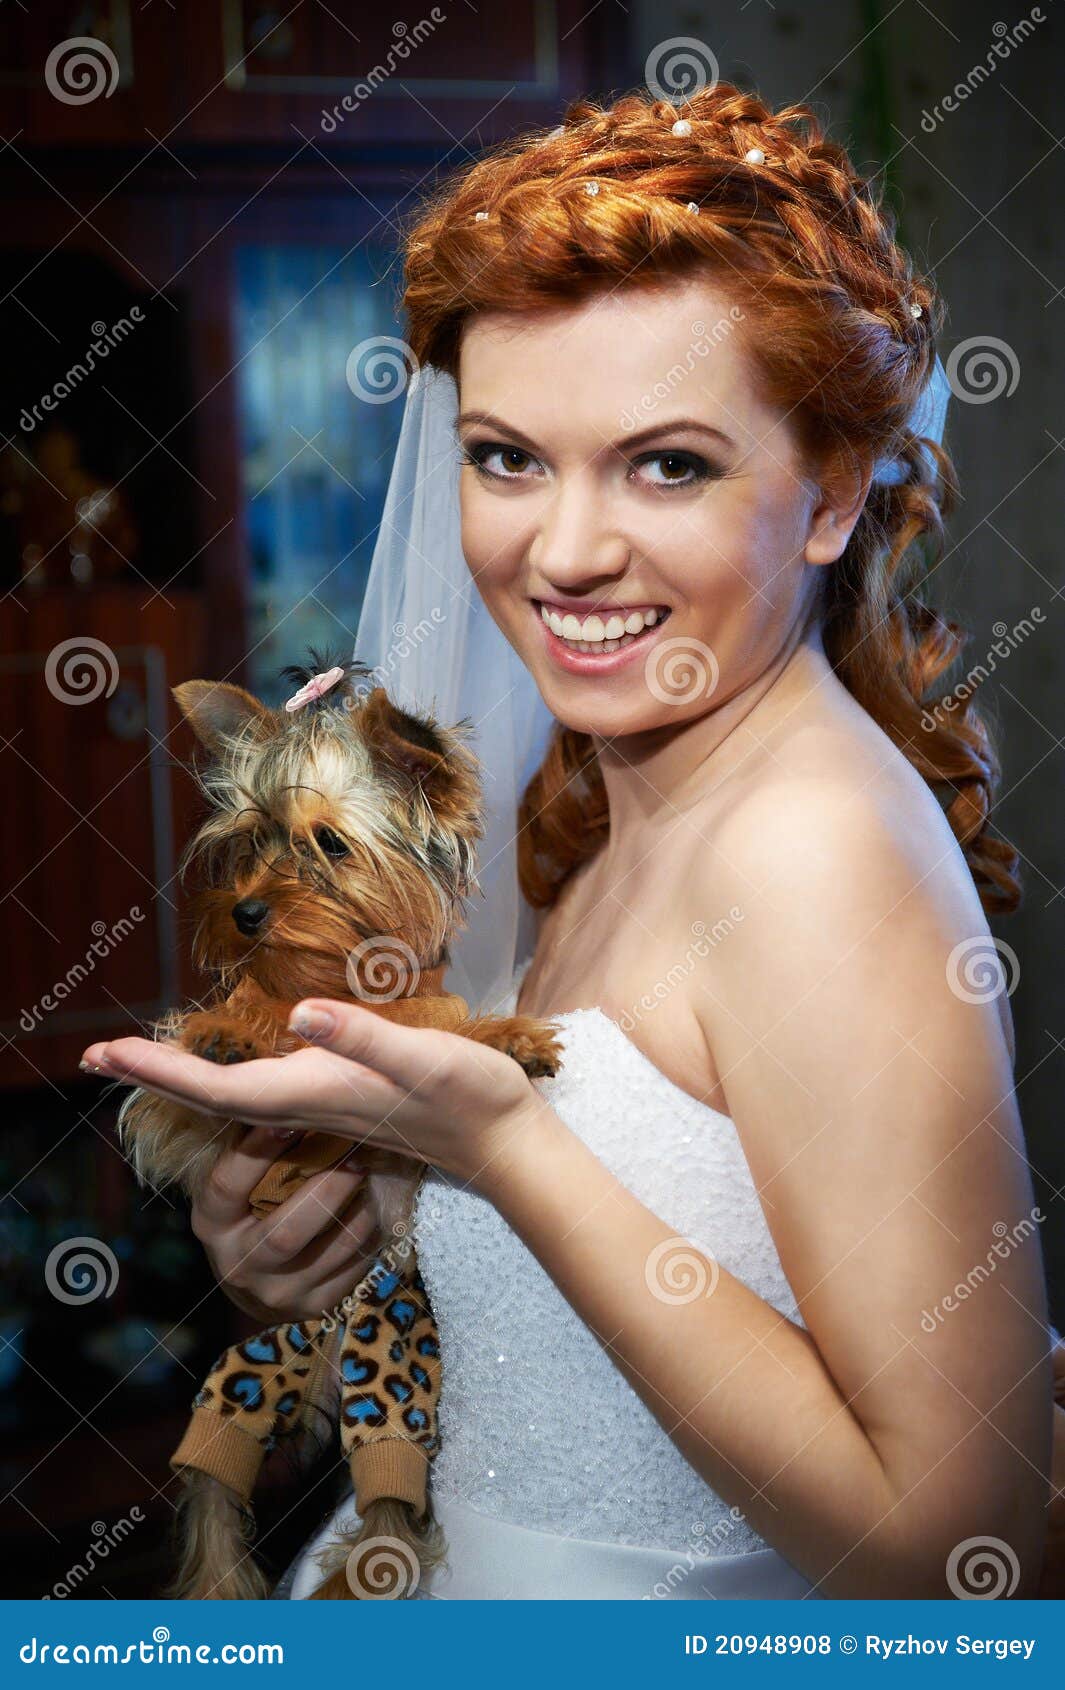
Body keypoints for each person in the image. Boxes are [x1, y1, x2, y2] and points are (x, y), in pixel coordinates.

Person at [84, 82, 1057, 1599]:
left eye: (666, 463)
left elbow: (950, 1558)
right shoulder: (607, 784)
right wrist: (333, 1215)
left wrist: (506, 1146)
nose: (561, 551)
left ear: (830, 494)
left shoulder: (816, 855)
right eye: (506, 456)